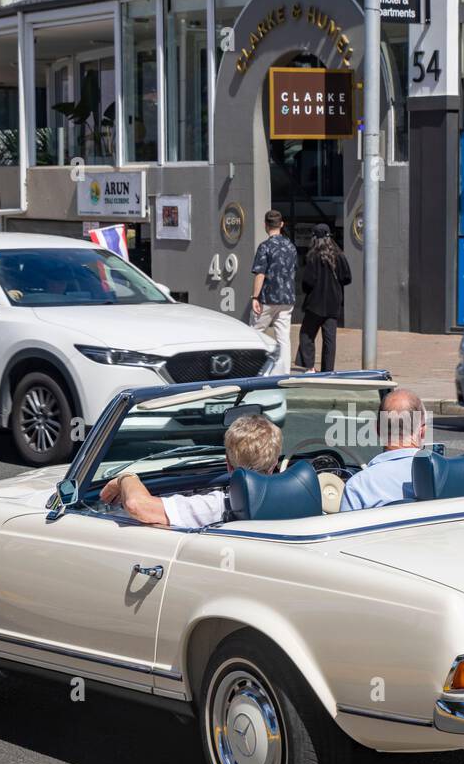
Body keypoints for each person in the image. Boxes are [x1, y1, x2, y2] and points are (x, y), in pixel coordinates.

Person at [99, 413, 282, 528]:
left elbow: (138, 506)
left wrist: (125, 478)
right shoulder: (305, 496)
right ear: (275, 464)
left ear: (228, 464)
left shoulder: (219, 505)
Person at [340, 389, 427, 511]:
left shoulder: (358, 485)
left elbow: (346, 529)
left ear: (378, 430)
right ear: (423, 432)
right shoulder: (443, 475)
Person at [296, 224, 352, 373]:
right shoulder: (339, 255)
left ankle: (309, 367)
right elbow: (347, 278)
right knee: (329, 340)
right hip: (333, 304)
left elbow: (308, 282)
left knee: (306, 335)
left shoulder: (313, 256)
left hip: (315, 304)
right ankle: (328, 370)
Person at [250, 210, 296, 374]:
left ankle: (252, 369)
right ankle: (285, 372)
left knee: (255, 332)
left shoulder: (265, 247)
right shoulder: (291, 246)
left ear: (265, 225)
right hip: (287, 298)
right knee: (283, 337)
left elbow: (260, 273)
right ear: (281, 224)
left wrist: (255, 296)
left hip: (268, 298)